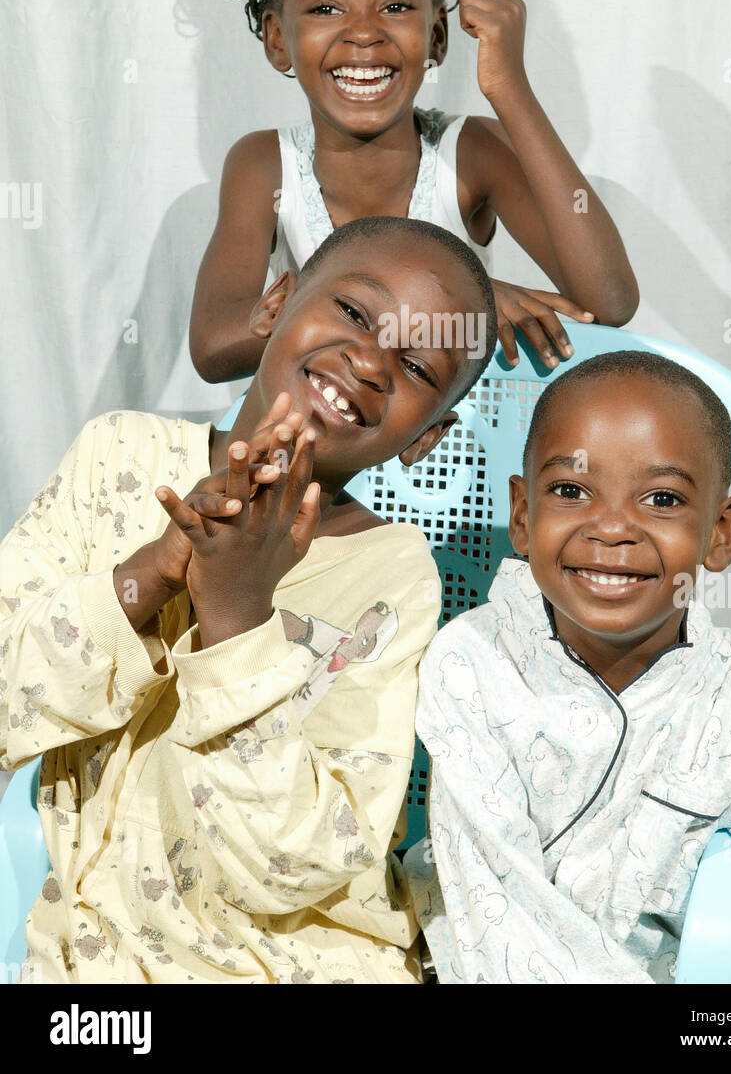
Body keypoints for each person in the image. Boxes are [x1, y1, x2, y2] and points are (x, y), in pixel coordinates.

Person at [0, 216, 497, 985]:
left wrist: (238, 616)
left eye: (417, 368)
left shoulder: (393, 577)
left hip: (286, 965)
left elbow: (297, 864)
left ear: (425, 437)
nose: (366, 361)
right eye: (355, 314)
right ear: (277, 303)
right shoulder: (116, 454)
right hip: (85, 965)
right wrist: (157, 569)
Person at [405, 351, 731, 984]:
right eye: (570, 491)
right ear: (522, 513)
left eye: (662, 498)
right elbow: (497, 914)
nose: (613, 527)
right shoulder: (472, 664)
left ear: (720, 533)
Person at [190, 0, 638, 384]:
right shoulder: (264, 166)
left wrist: (509, 88)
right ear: (277, 39)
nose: (363, 33)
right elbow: (214, 345)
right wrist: (452, 304)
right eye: (327, 8)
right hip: (309, 454)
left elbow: (608, 301)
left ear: (437, 38)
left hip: (453, 460)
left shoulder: (470, 153)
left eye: (397, 5)